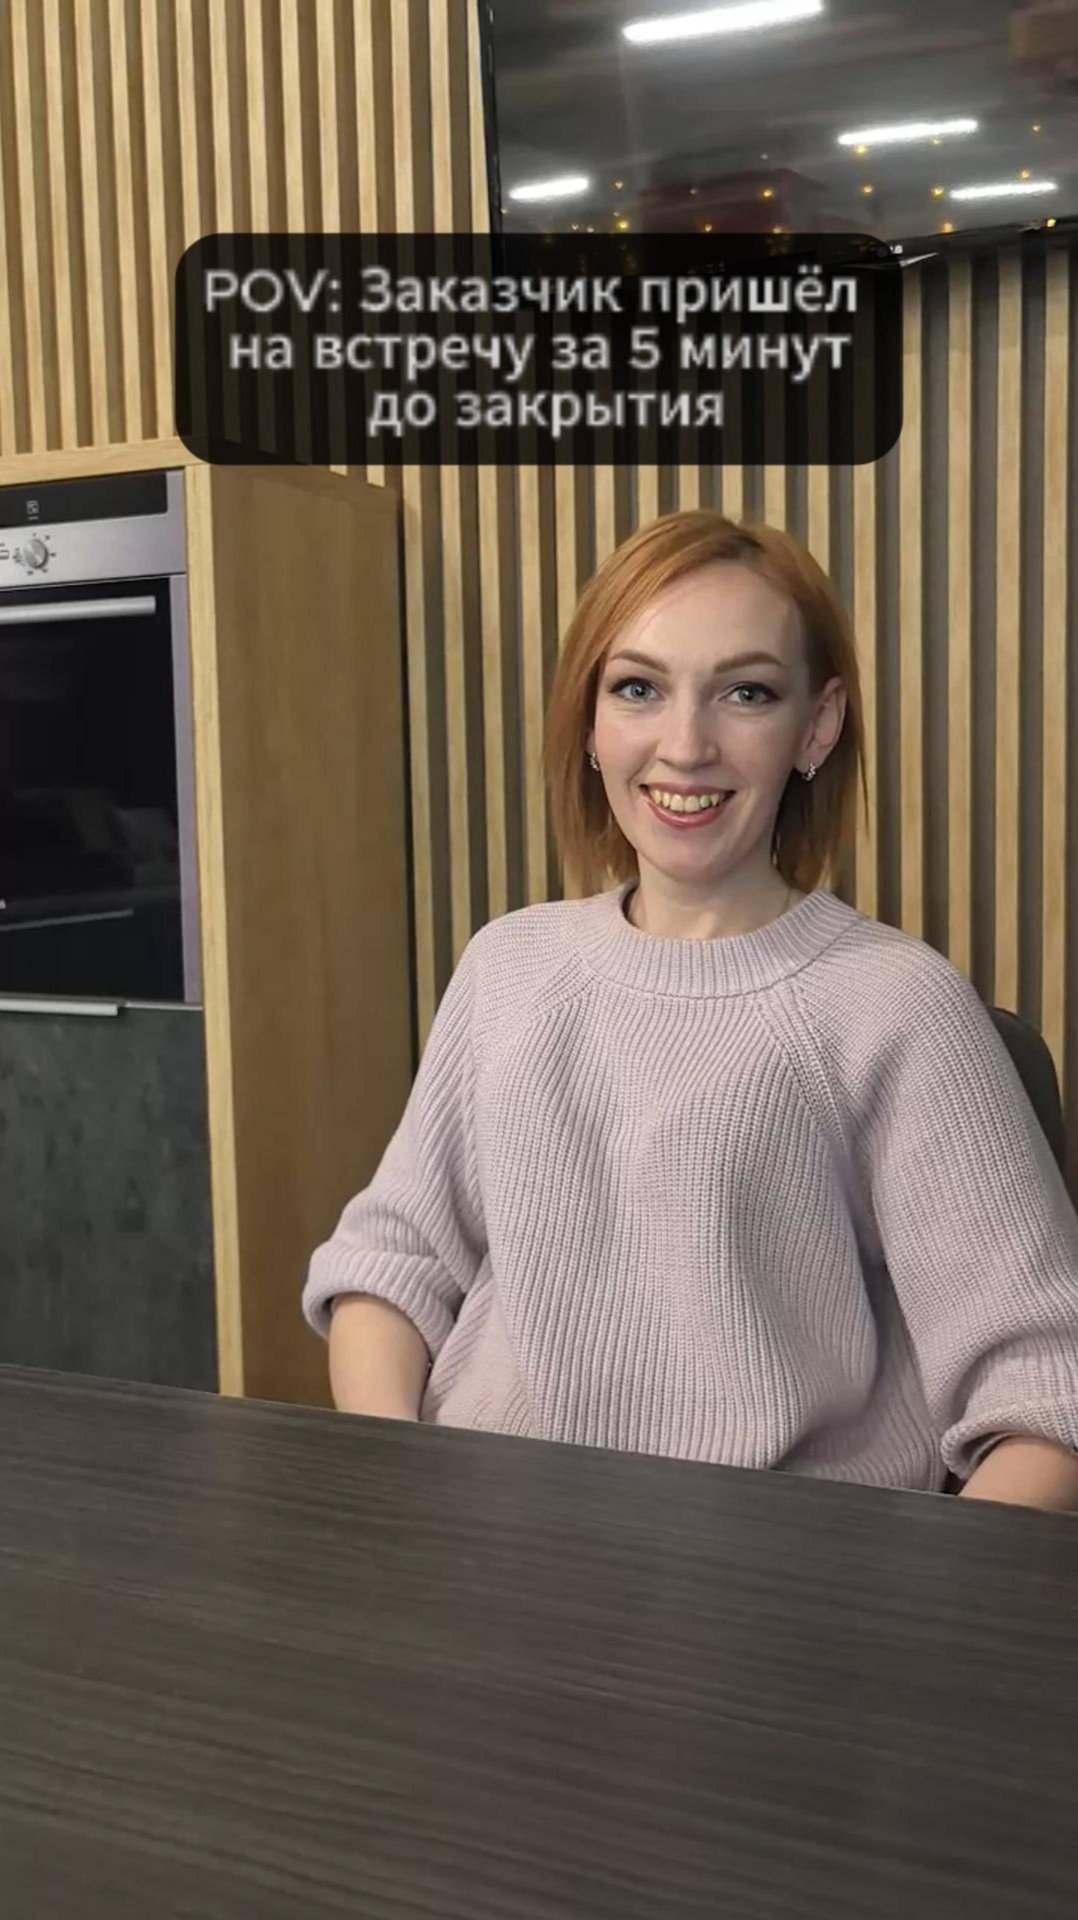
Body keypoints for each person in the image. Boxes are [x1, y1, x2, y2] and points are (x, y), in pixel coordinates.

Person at [303, 510, 1078, 1511]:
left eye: (745, 693)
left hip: (777, 1572)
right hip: (484, 1537)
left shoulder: (897, 1006)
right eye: (638, 688)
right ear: (590, 722)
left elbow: (1048, 1392)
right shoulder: (507, 965)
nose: (684, 745)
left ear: (817, 726)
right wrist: (402, 1479)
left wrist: (906, 1605)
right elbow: (390, 1265)